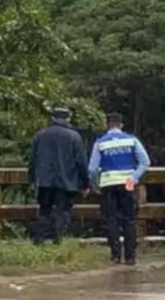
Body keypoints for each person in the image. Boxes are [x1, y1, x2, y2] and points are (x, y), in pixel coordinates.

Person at [88, 112, 150, 265]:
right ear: (121, 125)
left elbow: (92, 169)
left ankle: (115, 255)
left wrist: (96, 185)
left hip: (108, 184)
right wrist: (134, 178)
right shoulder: (131, 140)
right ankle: (130, 256)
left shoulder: (100, 142)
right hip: (127, 183)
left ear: (107, 125)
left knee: (111, 220)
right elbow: (145, 162)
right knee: (129, 220)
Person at [28, 106, 89, 244]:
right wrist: (85, 183)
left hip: (43, 181)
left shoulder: (40, 135)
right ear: (68, 118)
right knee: (63, 212)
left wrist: (32, 179)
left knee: (44, 210)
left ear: (52, 118)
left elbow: (32, 159)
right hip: (67, 181)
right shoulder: (74, 137)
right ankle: (58, 240)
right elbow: (81, 162)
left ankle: (39, 240)